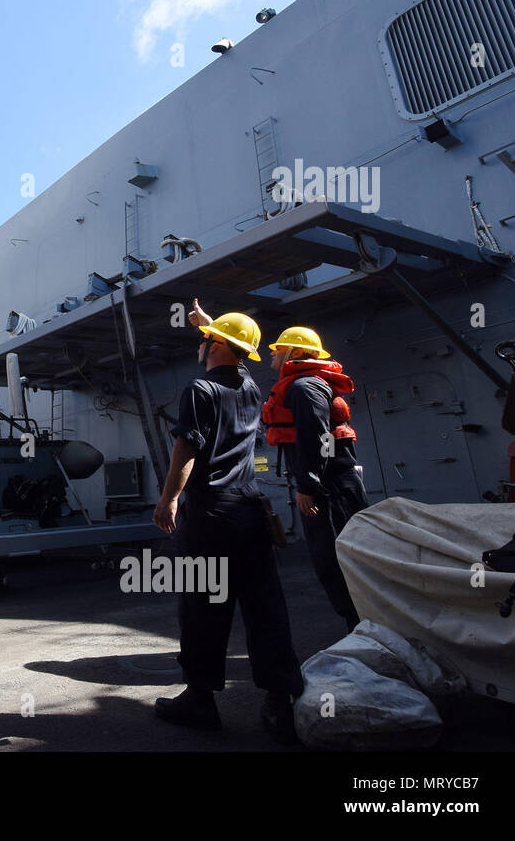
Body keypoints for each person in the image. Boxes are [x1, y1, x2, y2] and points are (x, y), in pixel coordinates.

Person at [153, 305, 303, 744]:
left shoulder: (198, 390)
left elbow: (187, 449)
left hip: (211, 514)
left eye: (205, 341)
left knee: (202, 608)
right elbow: (231, 349)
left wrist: (169, 499)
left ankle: (200, 700)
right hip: (250, 510)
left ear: (215, 347)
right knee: (265, 607)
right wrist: (209, 324)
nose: (199, 346)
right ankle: (280, 703)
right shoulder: (253, 389)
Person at [263, 325, 364, 631]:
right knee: (335, 558)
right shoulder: (306, 385)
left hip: (328, 489)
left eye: (279, 349)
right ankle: (359, 625)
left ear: (295, 353)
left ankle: (360, 627)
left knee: (334, 560)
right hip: (330, 484)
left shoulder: (303, 387)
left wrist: (308, 485)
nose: (273, 354)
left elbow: (318, 438)